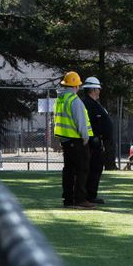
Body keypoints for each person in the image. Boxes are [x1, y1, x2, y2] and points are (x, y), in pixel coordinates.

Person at [53, 71, 96, 209]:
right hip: (76, 140)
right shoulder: (75, 100)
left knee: (69, 170)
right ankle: (80, 199)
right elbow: (81, 122)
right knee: (82, 169)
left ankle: (68, 199)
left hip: (65, 140)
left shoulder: (60, 100)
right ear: (76, 86)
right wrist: (85, 137)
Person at [79, 76, 113, 204]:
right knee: (93, 168)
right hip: (92, 143)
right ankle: (90, 194)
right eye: (98, 89)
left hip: (97, 142)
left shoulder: (92, 103)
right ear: (93, 89)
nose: (99, 91)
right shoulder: (87, 104)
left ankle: (90, 193)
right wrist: (93, 138)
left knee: (96, 168)